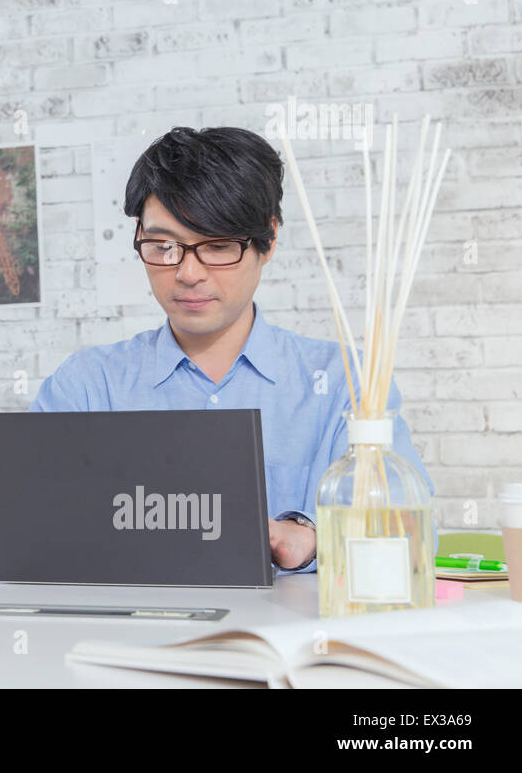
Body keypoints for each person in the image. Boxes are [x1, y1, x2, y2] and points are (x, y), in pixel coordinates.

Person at [27, 126, 434, 574]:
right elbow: (19, 530)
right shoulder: (88, 385)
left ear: (269, 241)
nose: (188, 273)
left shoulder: (345, 383)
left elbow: (408, 533)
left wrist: (311, 537)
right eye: (164, 246)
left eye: (218, 246)